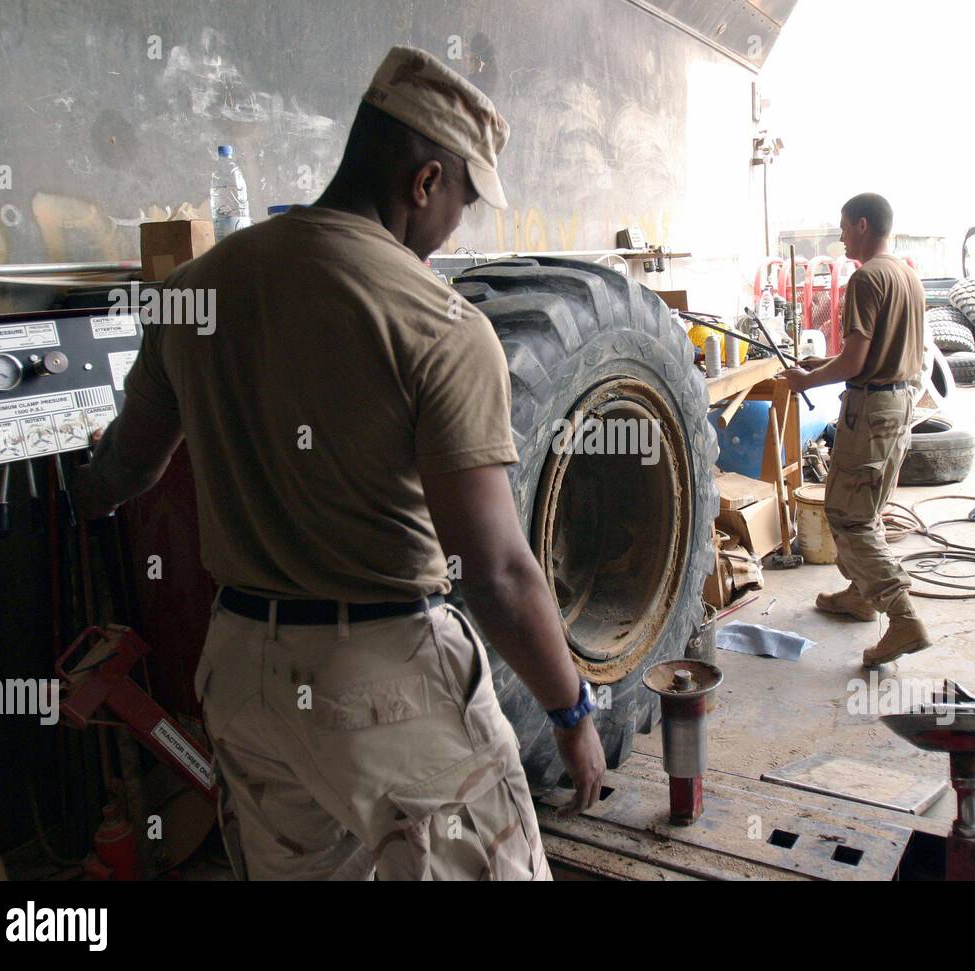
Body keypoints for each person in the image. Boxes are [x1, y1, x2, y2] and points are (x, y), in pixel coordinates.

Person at [72, 45, 606, 880]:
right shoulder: (440, 324)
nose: (457, 222)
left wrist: (87, 481)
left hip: (244, 672)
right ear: (426, 181)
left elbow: (121, 475)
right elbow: (497, 571)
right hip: (384, 682)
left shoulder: (197, 290)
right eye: (463, 198)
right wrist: (571, 709)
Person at [784, 193, 932, 667]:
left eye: (845, 226)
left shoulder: (867, 278)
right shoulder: (905, 274)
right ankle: (861, 594)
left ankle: (903, 617)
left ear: (863, 225)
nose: (841, 235)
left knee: (850, 517)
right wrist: (823, 364)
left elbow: (856, 361)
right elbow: (872, 354)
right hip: (899, 402)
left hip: (871, 411)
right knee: (865, 506)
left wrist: (807, 379)